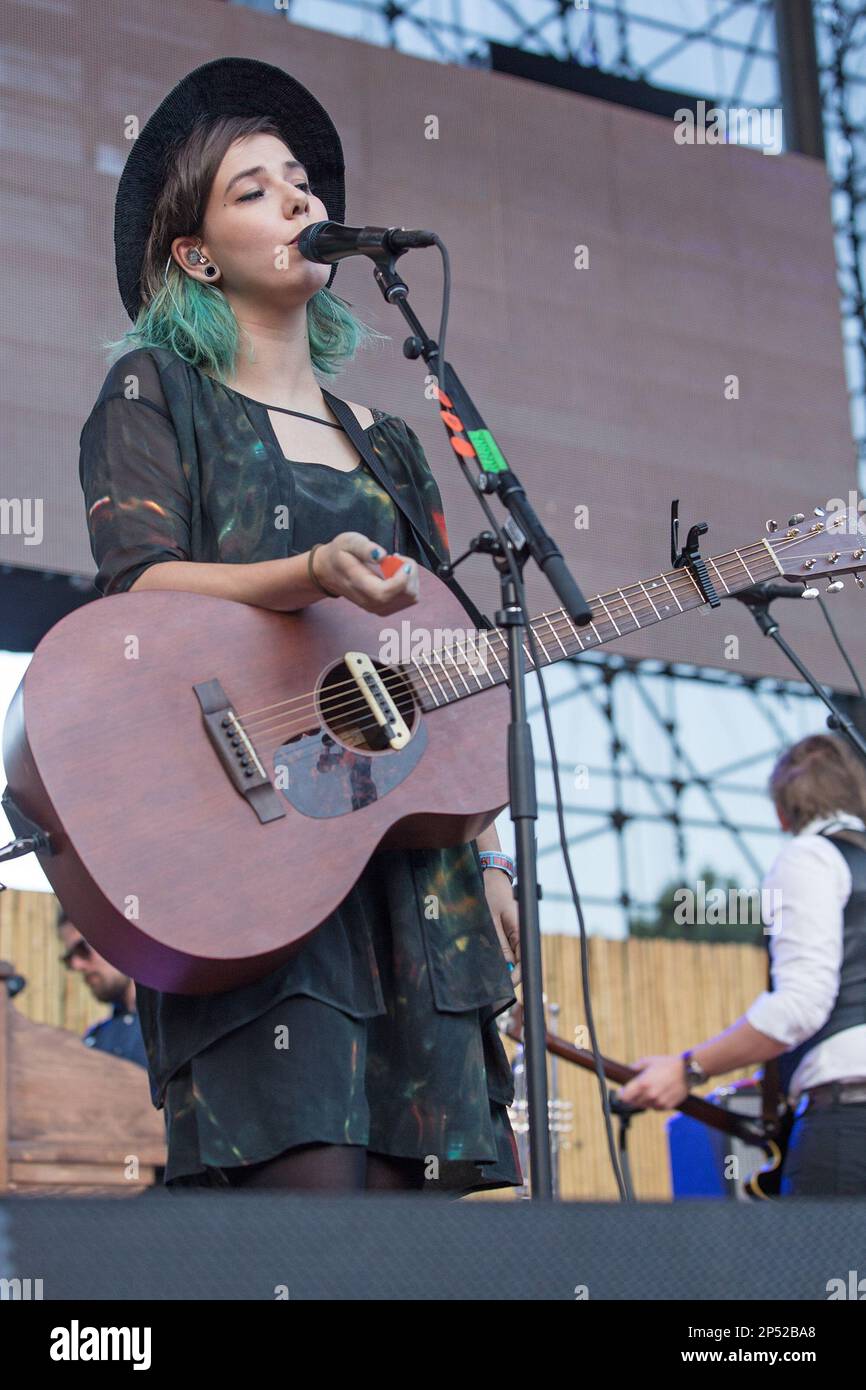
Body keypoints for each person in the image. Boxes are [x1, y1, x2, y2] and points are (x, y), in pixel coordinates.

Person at [77, 57, 522, 1196]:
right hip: (257, 866)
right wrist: (301, 571)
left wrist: (492, 857)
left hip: (412, 890)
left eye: (302, 184)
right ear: (195, 252)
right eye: (254, 189)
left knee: (434, 1261)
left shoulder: (392, 439)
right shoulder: (153, 392)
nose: (300, 201)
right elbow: (136, 591)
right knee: (311, 1234)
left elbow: (429, 656)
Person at [619, 732, 866, 1197]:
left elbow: (801, 1005)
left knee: (816, 1270)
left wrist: (688, 1068)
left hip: (850, 1125)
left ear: (781, 811)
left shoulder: (809, 857)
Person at [56, 908, 148, 1070]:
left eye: (82, 949)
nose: (77, 965)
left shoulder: (177, 1025)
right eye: (69, 958)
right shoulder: (97, 1038)